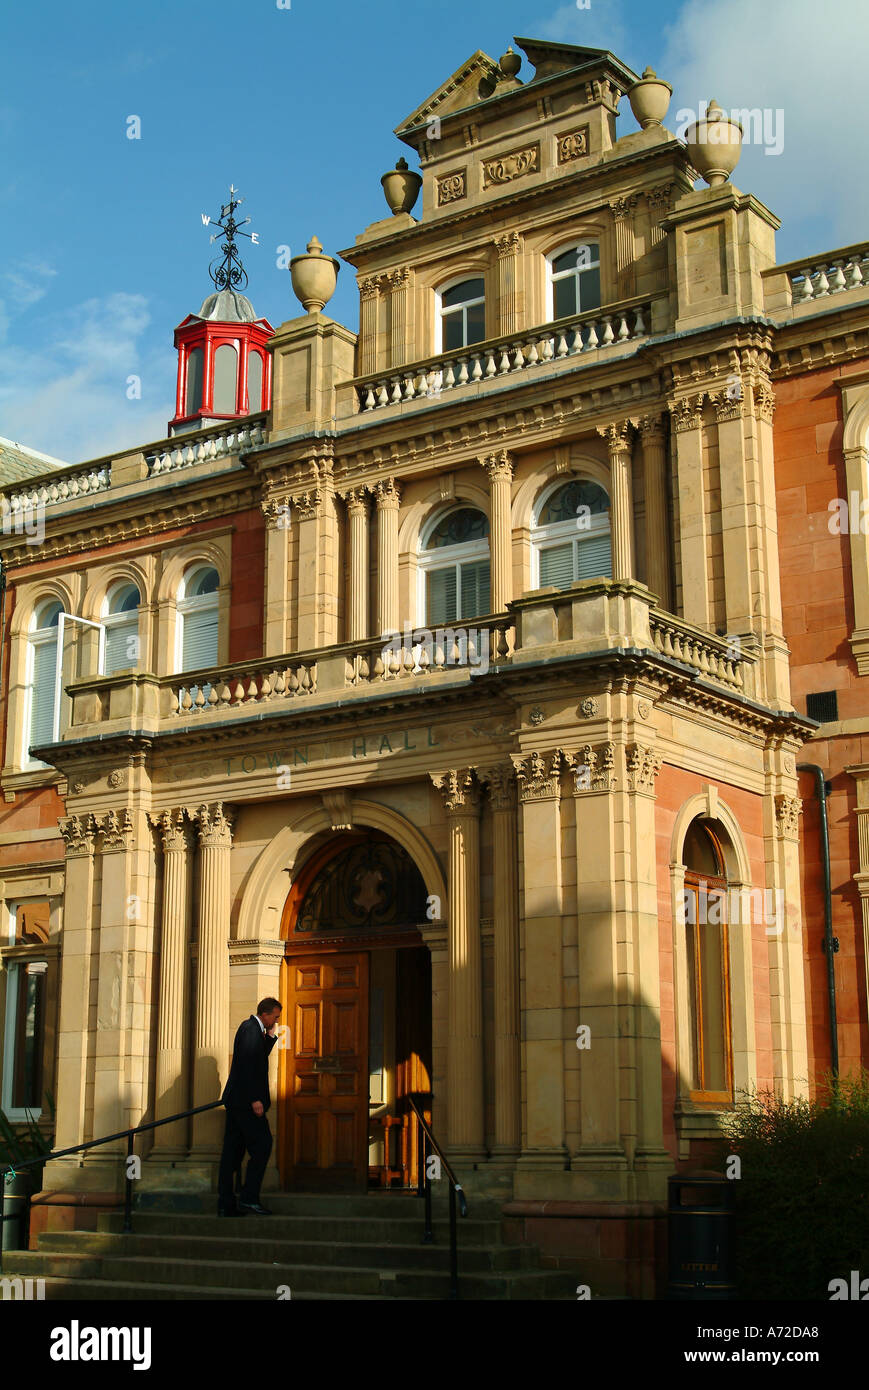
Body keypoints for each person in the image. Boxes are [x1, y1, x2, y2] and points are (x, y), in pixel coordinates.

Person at [217, 997, 282, 1216]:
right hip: (246, 1104)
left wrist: (271, 1038)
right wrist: (255, 1099)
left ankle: (227, 1204)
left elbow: (255, 1058)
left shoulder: (255, 1030)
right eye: (275, 1016)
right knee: (263, 1145)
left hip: (238, 1102)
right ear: (265, 1014)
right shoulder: (250, 1029)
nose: (276, 1020)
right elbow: (247, 1065)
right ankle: (248, 1198)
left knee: (233, 1154)